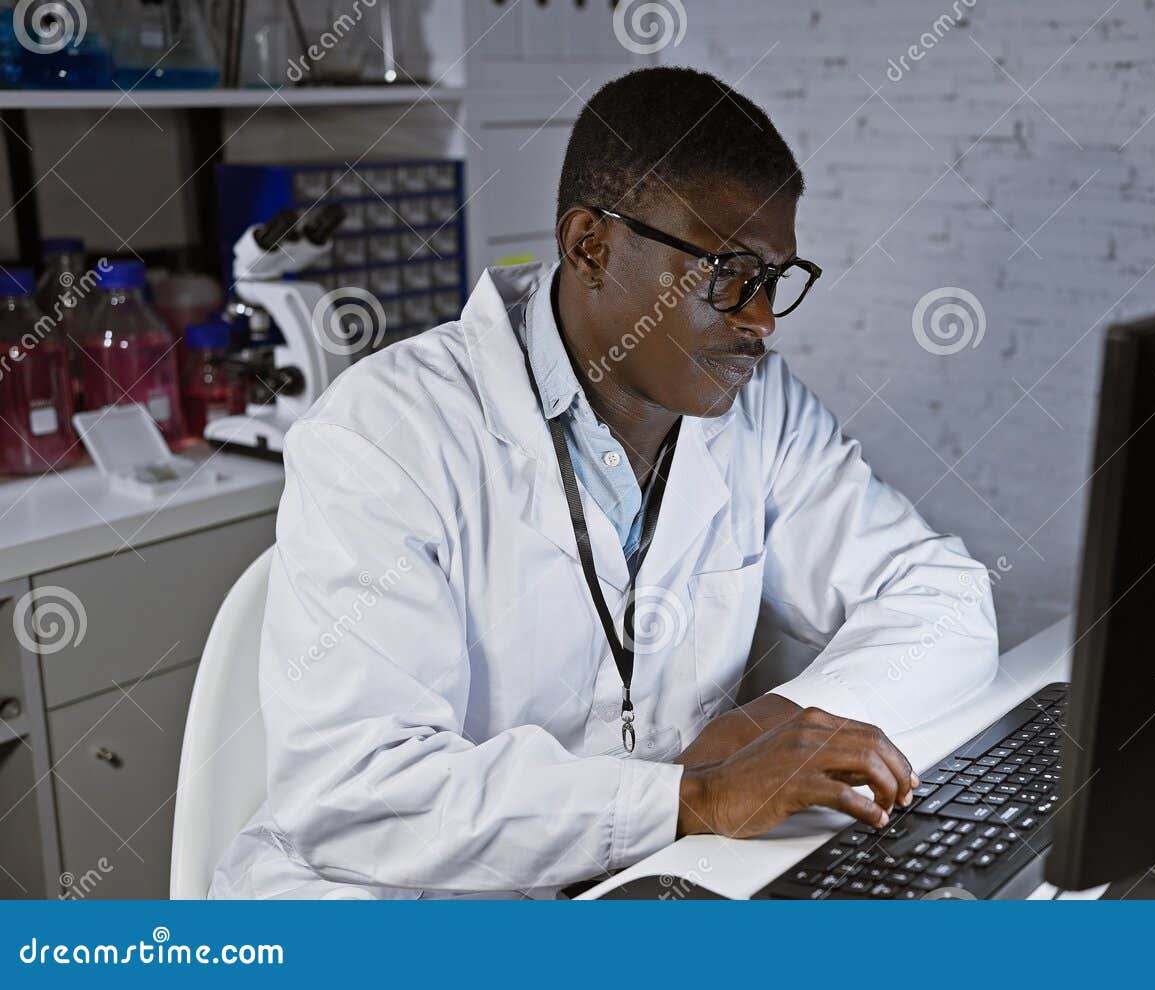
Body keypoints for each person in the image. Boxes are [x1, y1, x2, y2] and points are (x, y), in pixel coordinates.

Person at [210, 67, 998, 899]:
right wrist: (690, 796)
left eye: (774, 280)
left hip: (642, 877)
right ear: (592, 246)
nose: (760, 320)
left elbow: (946, 598)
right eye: (728, 272)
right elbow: (358, 792)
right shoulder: (386, 433)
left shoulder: (757, 410)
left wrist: (774, 725)